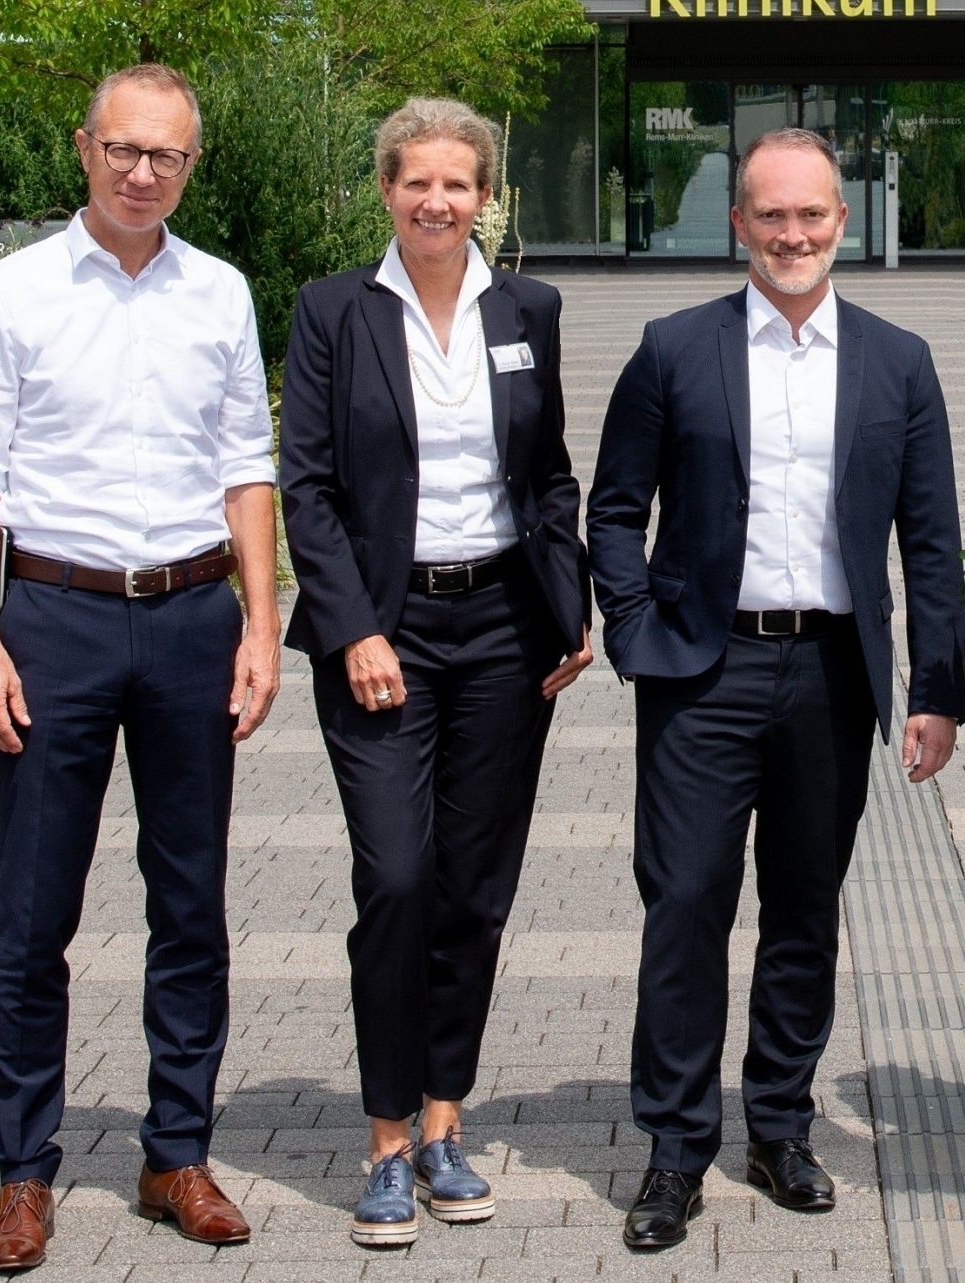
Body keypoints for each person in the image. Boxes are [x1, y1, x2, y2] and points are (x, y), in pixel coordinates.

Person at [587, 127, 965, 1250]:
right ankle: (672, 1147)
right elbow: (614, 507)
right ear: (739, 224)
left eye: (812, 215)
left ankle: (782, 1125)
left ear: (840, 222)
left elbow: (931, 541)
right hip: (702, 669)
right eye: (771, 215)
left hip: (831, 676)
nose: (792, 234)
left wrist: (933, 689)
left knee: (804, 911)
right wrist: (633, 628)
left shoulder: (899, 359)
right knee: (687, 905)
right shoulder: (673, 348)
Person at [0, 64, 278, 1272]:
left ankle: (175, 1148)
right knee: (34, 913)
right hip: (55, 623)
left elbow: (248, 463)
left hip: (190, 619)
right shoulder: (11, 291)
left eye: (167, 157)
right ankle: (24, 1170)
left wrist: (260, 621)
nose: (143, 172)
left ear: (192, 166)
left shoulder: (219, 293)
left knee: (191, 907)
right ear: (85, 148)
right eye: (125, 150)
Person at [279, 96, 592, 1248]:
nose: (437, 200)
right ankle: (383, 1140)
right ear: (387, 189)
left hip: (504, 627)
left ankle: (446, 1123)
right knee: (398, 877)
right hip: (385, 631)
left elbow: (549, 473)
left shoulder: (530, 308)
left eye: (458, 183)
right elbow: (305, 485)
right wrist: (354, 625)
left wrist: (571, 600)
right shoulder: (332, 313)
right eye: (417, 180)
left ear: (486, 195)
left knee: (474, 886)